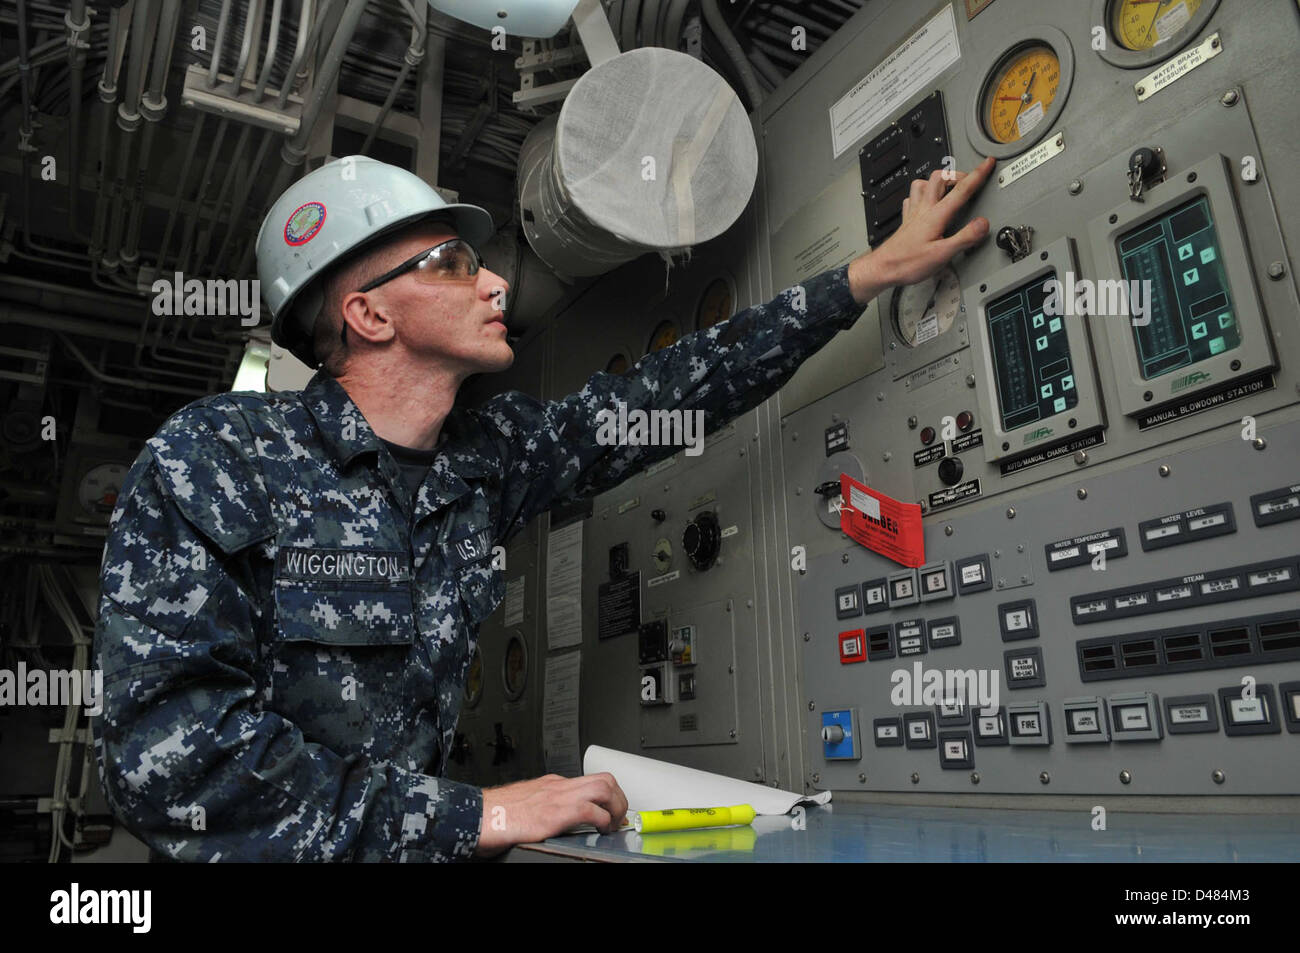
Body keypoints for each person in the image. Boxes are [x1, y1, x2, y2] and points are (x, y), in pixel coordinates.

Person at [93, 153, 994, 861]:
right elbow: (171, 760)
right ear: (368, 316)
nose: (494, 284)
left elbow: (667, 393)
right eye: (451, 264)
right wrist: (470, 814)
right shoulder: (217, 457)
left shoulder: (484, 462)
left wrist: (861, 279)